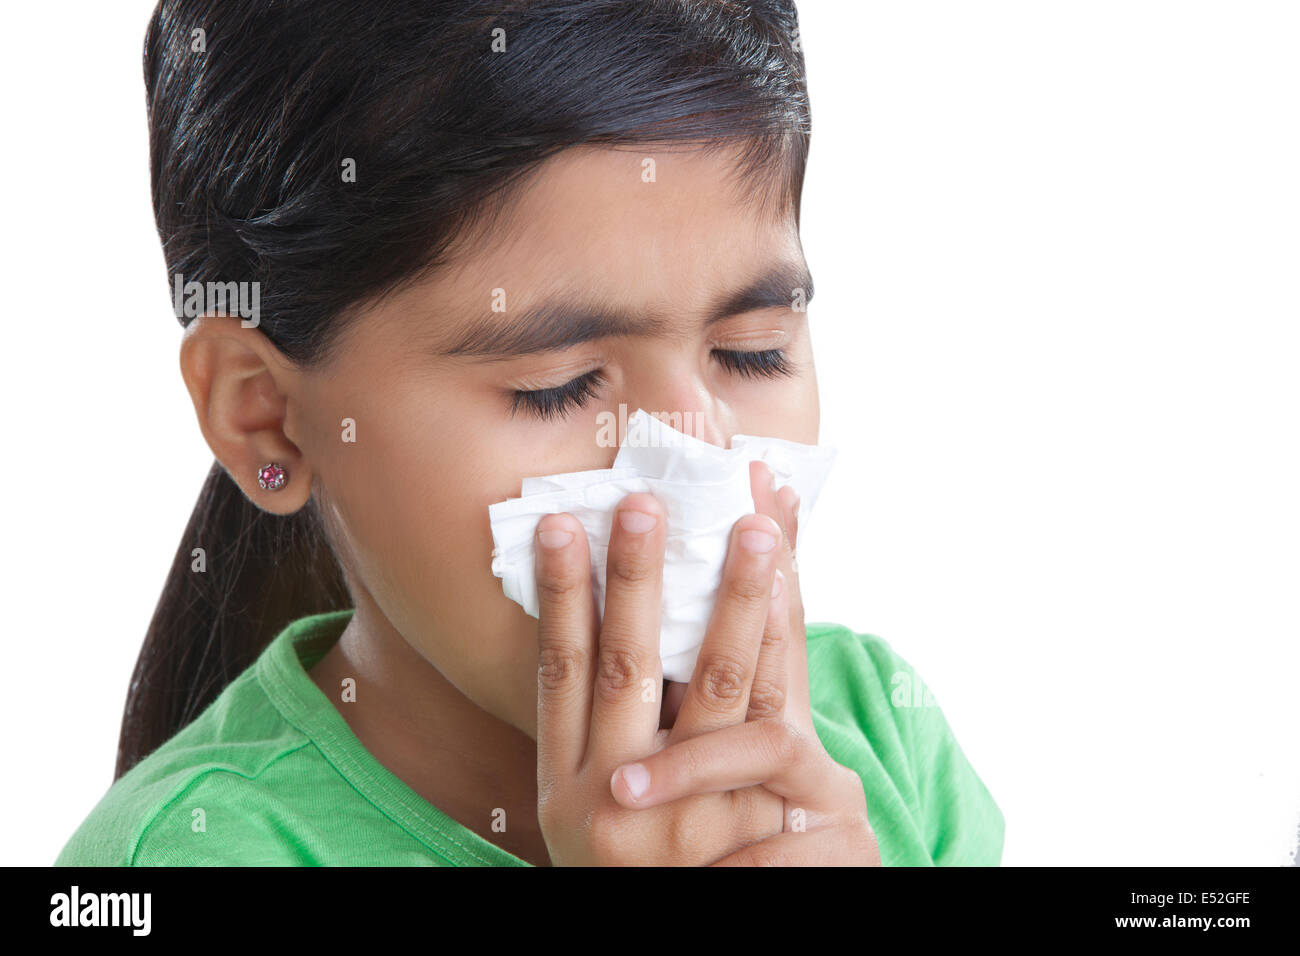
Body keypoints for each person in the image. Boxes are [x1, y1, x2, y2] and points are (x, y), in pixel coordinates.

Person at [55, 0, 1004, 866]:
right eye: (558, 388)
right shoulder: (192, 853)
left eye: (752, 354)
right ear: (266, 419)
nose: (699, 461)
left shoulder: (883, 739)